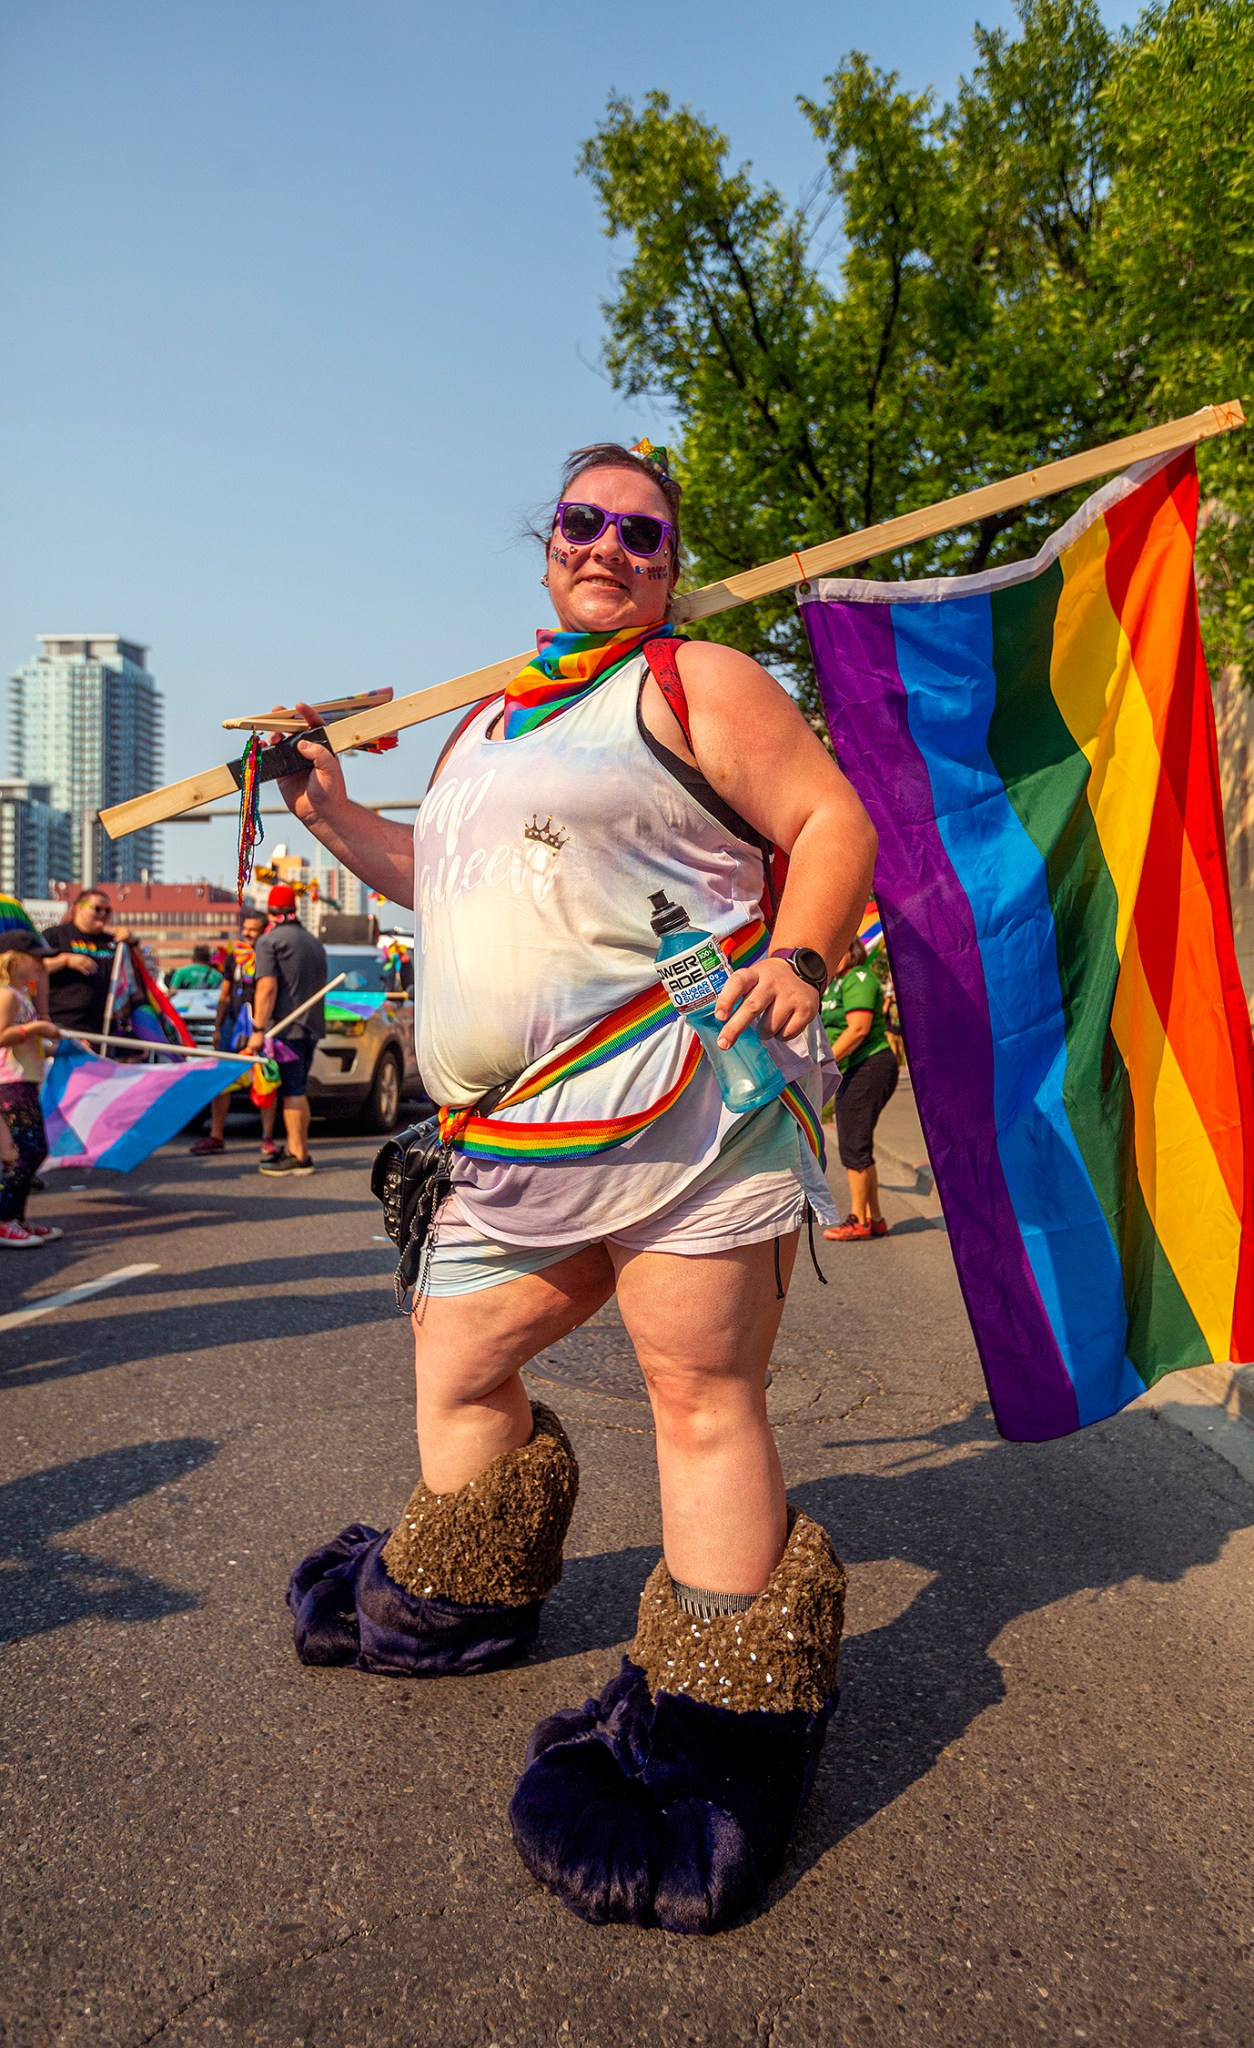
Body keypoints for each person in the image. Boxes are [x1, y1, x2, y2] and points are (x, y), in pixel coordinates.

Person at [278, 441, 877, 1935]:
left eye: (642, 532)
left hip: (683, 1110)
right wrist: (337, 820)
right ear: (547, 542)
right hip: (509, 1135)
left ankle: (717, 1734)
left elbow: (835, 824)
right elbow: (454, 879)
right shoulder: (484, 722)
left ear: (671, 563)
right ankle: (470, 1590)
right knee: (458, 1348)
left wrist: (799, 955)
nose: (608, 545)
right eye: (583, 522)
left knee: (695, 1392)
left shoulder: (695, 682)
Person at [820, 939, 900, 1242]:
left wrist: (821, 1065)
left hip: (870, 1065)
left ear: (850, 951)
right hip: (853, 1068)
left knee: (853, 1144)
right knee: (860, 1143)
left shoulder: (859, 978)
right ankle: (874, 1219)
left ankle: (858, 1221)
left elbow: (858, 1029)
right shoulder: (835, 983)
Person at [247, 886, 329, 1175]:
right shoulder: (313, 942)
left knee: (292, 1091)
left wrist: (258, 1028)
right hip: (311, 1028)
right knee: (297, 1089)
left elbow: (266, 987)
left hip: (286, 1029)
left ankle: (300, 1156)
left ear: (270, 911)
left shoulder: (270, 941)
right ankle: (294, 1148)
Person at [189, 909, 276, 1160]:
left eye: (253, 930)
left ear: (264, 931)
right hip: (231, 1025)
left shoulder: (270, 957)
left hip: (260, 1024)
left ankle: (267, 1138)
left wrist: (263, 1026)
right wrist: (218, 1027)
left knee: (265, 1078)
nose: (248, 934)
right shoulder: (234, 958)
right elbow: (224, 995)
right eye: (245, 928)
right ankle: (217, 1135)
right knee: (222, 1080)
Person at [0, 929, 62, 1248]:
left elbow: (25, 1043)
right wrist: (36, 1027)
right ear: (13, 960)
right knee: (30, 1150)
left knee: (30, 1150)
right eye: (35, 958)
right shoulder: (7, 995)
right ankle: (4, 1218)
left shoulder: (19, 994)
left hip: (23, 1078)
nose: (41, 965)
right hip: (10, 1082)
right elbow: (1, 1036)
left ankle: (16, 1218)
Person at [40, 889, 139, 1041]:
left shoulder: (113, 942)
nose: (103, 914)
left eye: (108, 910)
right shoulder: (55, 935)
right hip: (62, 1024)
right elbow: (33, 968)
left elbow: (141, 971)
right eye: (97, 909)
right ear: (79, 908)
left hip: (102, 1027)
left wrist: (133, 941)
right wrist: (65, 960)